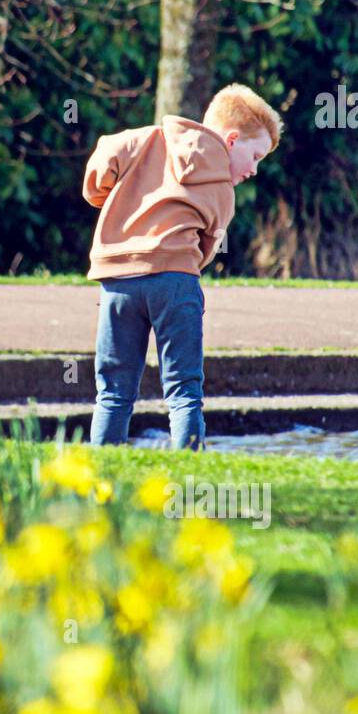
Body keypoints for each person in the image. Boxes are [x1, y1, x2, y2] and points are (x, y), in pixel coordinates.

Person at [82, 84, 283, 450]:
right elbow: (207, 247)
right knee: (183, 389)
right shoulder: (222, 188)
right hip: (175, 281)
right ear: (232, 139)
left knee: (112, 390)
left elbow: (100, 165)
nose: (254, 170)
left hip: (118, 281)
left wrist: (105, 193)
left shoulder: (145, 139)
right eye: (255, 156)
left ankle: (102, 469)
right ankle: (187, 469)